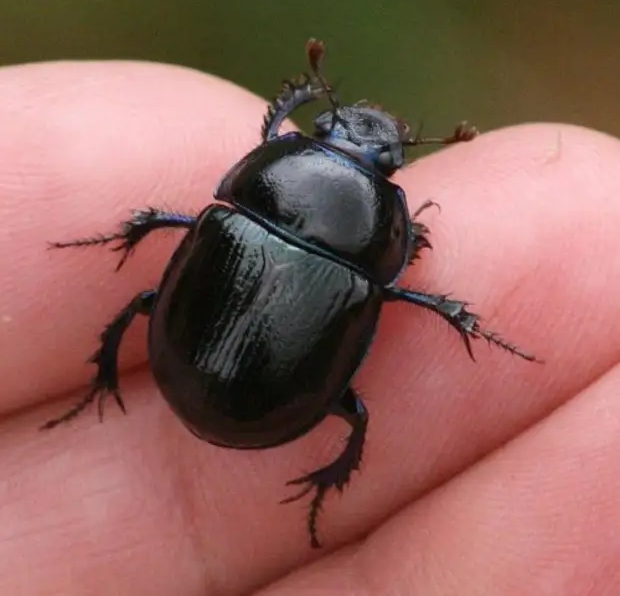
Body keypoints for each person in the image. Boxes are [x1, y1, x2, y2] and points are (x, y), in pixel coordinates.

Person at [1, 60, 619, 595]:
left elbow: (172, 208)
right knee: (355, 412)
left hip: (199, 367)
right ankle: (323, 485)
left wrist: (297, 98)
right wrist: (462, 314)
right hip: (265, 400)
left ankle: (101, 391)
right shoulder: (366, 244)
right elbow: (397, 266)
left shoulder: (248, 203)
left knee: (145, 299)